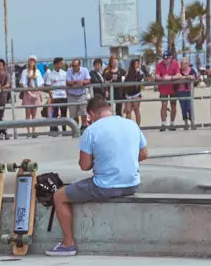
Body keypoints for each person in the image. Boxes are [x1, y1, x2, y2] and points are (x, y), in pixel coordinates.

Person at [47, 95, 148, 257]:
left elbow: (84, 165)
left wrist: (101, 160)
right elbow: (144, 154)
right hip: (131, 183)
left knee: (59, 196)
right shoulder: (131, 124)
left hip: (105, 186)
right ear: (109, 109)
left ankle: (68, 244)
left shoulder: (91, 131)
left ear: (92, 115)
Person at [155, 50, 181, 131]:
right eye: (164, 58)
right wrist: (162, 78)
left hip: (173, 88)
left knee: (173, 105)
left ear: (171, 58)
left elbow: (178, 74)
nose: (165, 60)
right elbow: (156, 76)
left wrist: (170, 77)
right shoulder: (159, 64)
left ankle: (172, 123)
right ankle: (163, 123)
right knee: (164, 105)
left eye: (167, 58)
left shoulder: (175, 63)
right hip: (163, 88)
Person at [19, 56, 45, 137]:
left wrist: (37, 92)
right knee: (28, 114)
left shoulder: (37, 72)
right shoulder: (24, 72)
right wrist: (28, 92)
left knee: (34, 114)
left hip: (36, 93)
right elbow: (23, 83)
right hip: (27, 94)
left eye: (33, 61)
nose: (31, 62)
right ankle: (28, 132)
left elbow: (41, 84)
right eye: (30, 61)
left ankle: (34, 131)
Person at [44, 57, 69, 132]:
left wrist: (67, 95)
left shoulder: (65, 73)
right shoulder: (50, 74)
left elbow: (67, 85)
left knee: (64, 113)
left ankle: (64, 129)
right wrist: (51, 96)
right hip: (55, 96)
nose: (61, 65)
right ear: (56, 64)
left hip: (63, 96)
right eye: (60, 63)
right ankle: (55, 128)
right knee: (55, 113)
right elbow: (48, 86)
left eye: (62, 64)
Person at [66, 58, 91, 129]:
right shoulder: (69, 70)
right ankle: (76, 128)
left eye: (76, 66)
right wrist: (75, 82)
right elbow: (67, 82)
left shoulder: (85, 70)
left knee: (84, 113)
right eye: (73, 66)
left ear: (79, 65)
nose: (74, 67)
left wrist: (82, 82)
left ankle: (83, 126)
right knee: (73, 114)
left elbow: (88, 80)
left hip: (82, 94)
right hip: (72, 95)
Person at [176, 55, 198, 129]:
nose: (182, 65)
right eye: (181, 63)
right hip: (181, 91)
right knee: (183, 108)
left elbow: (195, 77)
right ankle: (186, 123)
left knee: (189, 107)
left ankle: (192, 123)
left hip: (189, 91)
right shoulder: (178, 70)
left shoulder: (191, 70)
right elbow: (178, 77)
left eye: (184, 63)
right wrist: (187, 77)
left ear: (187, 63)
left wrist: (191, 77)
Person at [122, 58, 144, 124]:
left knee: (136, 110)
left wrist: (138, 71)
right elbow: (125, 83)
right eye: (135, 64)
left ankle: (138, 127)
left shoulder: (140, 72)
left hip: (136, 94)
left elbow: (140, 78)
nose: (137, 65)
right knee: (128, 111)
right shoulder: (128, 73)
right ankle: (129, 127)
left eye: (138, 64)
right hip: (128, 94)